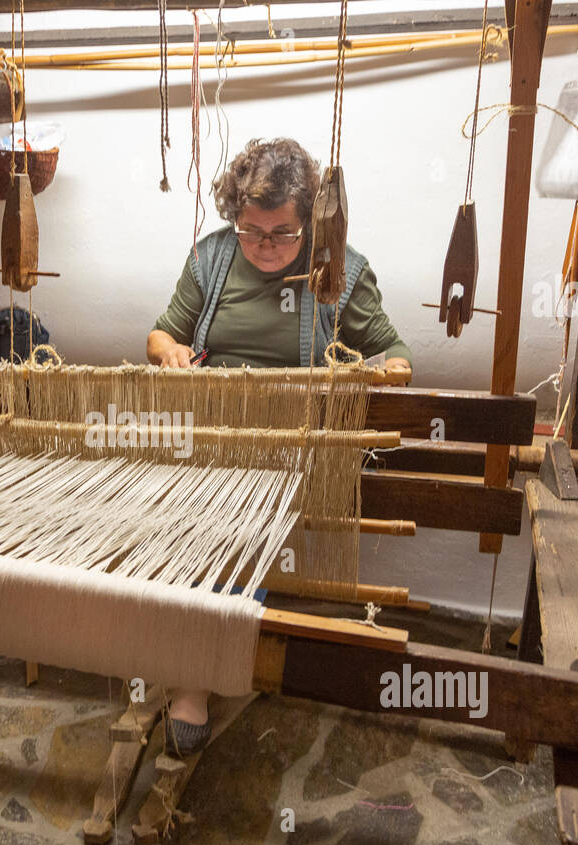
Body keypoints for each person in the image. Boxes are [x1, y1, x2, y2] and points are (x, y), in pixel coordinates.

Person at [146, 137, 412, 755]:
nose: (265, 246)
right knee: (182, 519)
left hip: (290, 443)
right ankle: (204, 651)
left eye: (283, 234)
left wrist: (356, 377)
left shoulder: (337, 271)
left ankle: (194, 678)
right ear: (235, 218)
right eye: (251, 230)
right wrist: (174, 354)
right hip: (210, 430)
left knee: (228, 526)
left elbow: (397, 358)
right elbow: (161, 334)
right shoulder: (212, 260)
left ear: (310, 224)